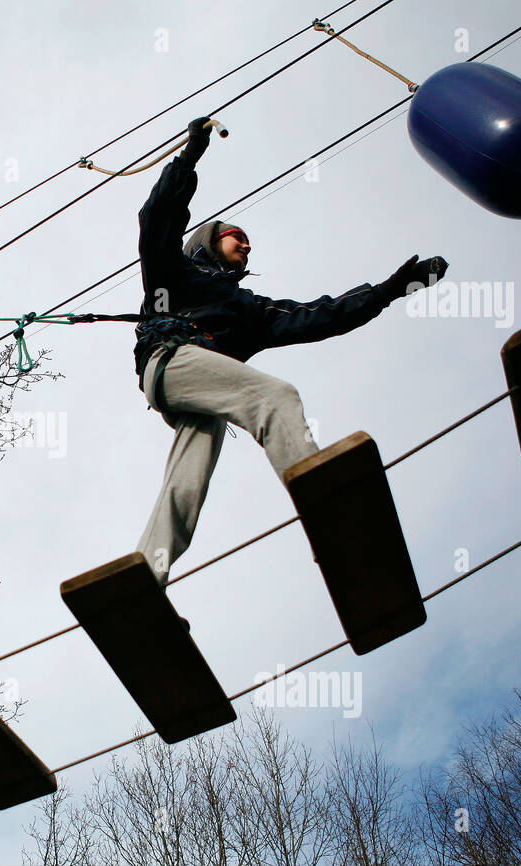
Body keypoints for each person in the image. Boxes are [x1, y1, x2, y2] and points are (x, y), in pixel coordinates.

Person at [134, 117, 448, 587]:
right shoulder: (174, 271)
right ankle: (329, 515)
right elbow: (156, 219)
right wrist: (189, 155)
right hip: (172, 358)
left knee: (186, 480)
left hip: (195, 386)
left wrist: (387, 291)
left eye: (247, 240)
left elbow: (318, 317)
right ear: (207, 242)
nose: (246, 243)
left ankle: (147, 577)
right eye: (234, 234)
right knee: (275, 398)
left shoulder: (249, 310)